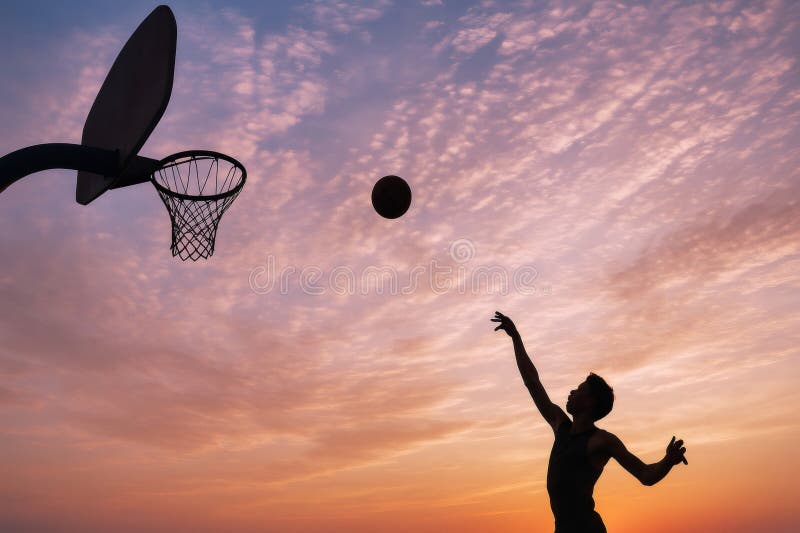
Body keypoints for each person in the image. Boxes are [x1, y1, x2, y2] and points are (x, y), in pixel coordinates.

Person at [491, 311, 688, 533]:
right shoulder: (560, 424)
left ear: (590, 401)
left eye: (579, 389)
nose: (572, 391)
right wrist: (515, 337)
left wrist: (668, 461)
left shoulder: (601, 441)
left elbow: (645, 475)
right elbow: (532, 382)